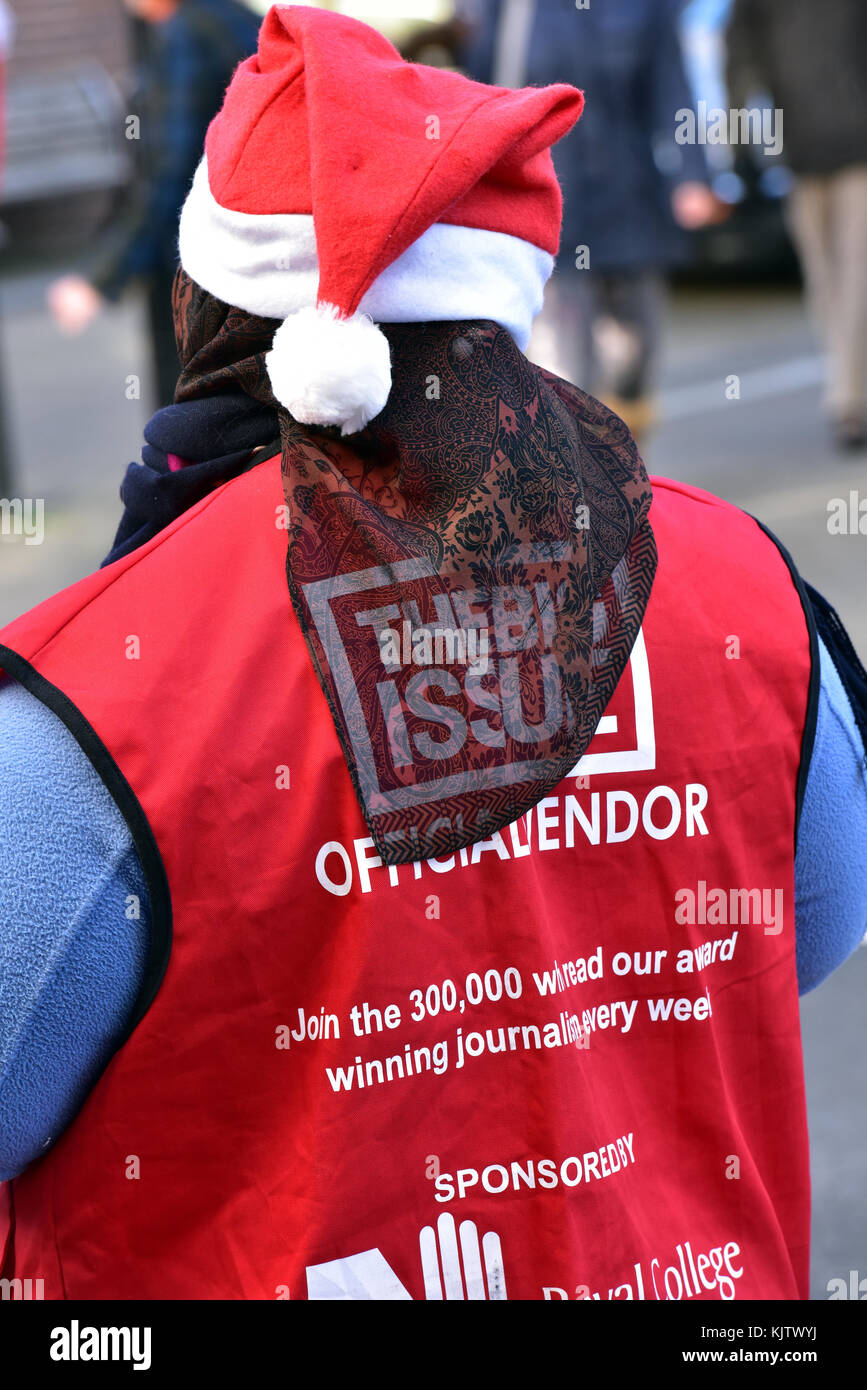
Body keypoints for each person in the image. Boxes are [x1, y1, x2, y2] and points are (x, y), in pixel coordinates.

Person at [1, 5, 865, 1301]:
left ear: (210, 305)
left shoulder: (92, 692)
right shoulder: (741, 587)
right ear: (497, 313)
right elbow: (804, 926)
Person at [456, 0, 726, 441]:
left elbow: (671, 89)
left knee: (633, 355)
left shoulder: (646, 8)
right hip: (548, 204)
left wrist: (693, 176)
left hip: (631, 197)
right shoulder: (509, 9)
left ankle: (624, 464)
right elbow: (479, 92)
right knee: (564, 362)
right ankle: (581, 486)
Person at [47, 0, 261, 408]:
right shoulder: (235, 20)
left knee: (188, 416)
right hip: (247, 255)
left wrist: (102, 279)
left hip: (194, 267)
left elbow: (169, 174)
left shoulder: (186, 36)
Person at [727, 0, 867, 451]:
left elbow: (739, 64)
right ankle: (849, 389)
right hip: (804, 154)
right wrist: (740, 148)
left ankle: (849, 398)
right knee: (828, 279)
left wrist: (740, 150)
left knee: (852, 275)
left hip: (847, 151)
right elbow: (740, 60)